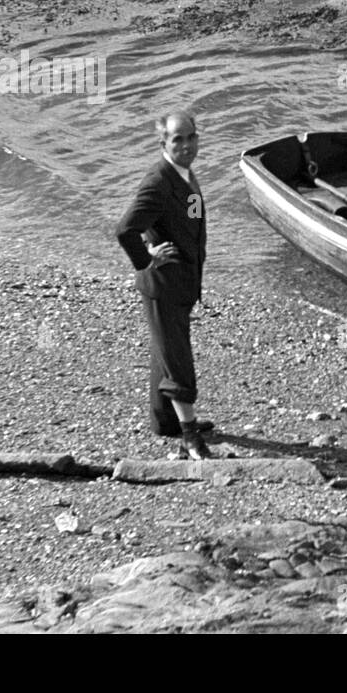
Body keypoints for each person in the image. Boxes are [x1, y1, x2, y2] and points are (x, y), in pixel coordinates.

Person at [115, 112, 214, 459]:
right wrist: (147, 257)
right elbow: (124, 229)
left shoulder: (185, 176)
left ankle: (165, 421)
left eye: (191, 138)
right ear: (164, 144)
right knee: (177, 359)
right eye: (178, 140)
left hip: (183, 282)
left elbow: (190, 219)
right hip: (164, 285)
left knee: (164, 352)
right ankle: (189, 437)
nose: (186, 145)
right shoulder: (158, 181)